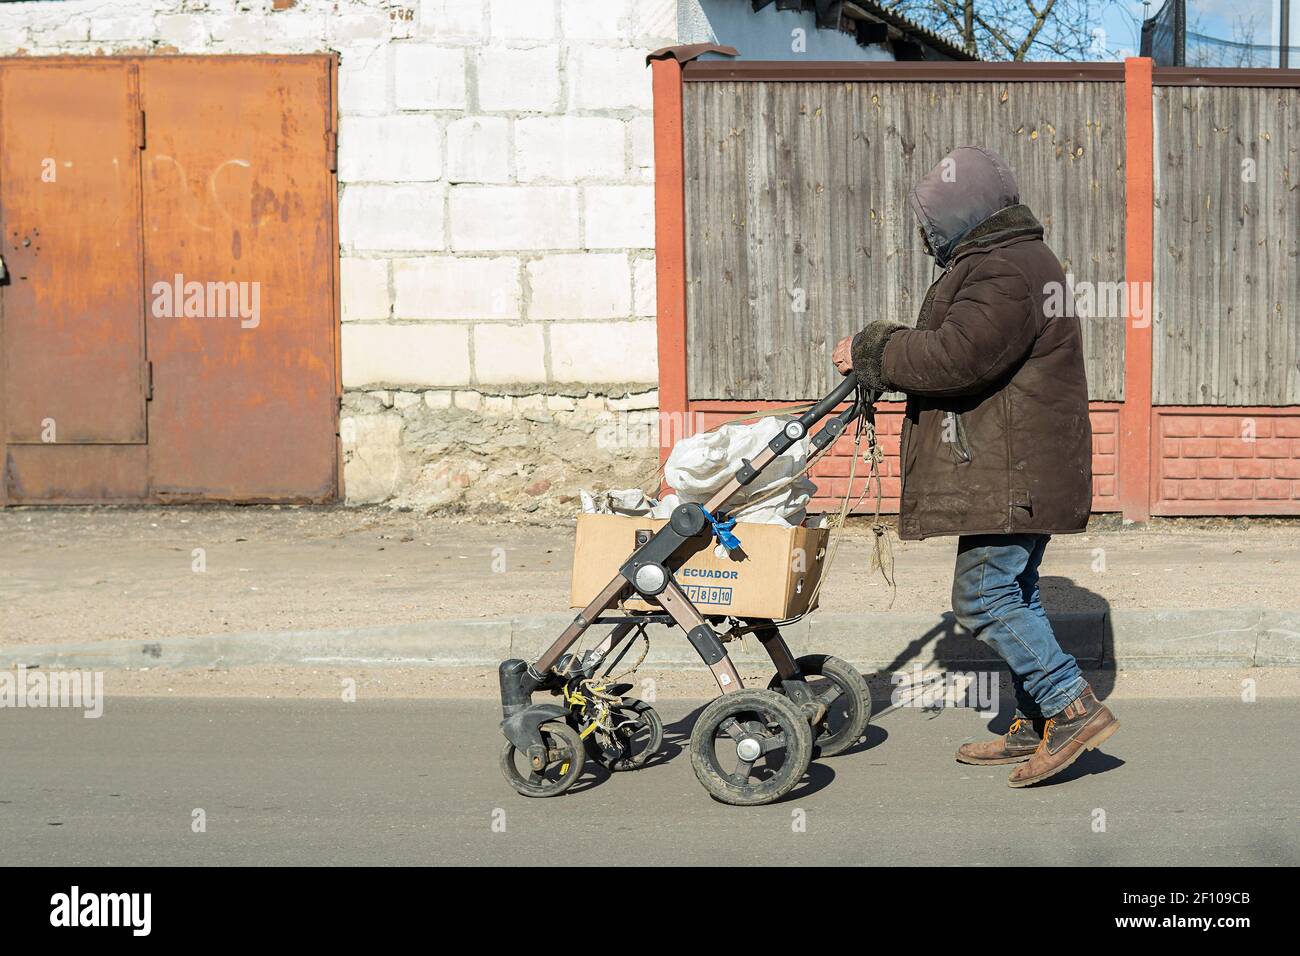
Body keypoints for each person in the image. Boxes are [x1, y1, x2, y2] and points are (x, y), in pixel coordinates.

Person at [832, 145, 1118, 787]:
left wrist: (877, 349)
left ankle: (1071, 707)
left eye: (931, 221)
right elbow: (963, 349)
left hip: (1009, 469)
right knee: (1012, 590)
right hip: (1013, 467)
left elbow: (960, 357)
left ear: (961, 214)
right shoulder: (1013, 260)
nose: (928, 234)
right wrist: (893, 347)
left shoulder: (1005, 270)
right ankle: (1035, 721)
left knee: (983, 595)